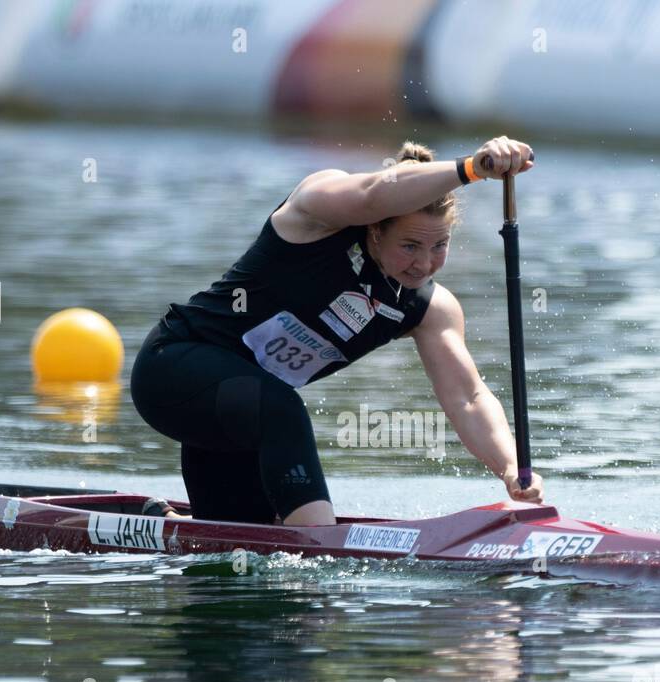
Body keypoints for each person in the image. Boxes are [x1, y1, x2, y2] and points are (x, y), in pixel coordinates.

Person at [130, 136, 542, 526]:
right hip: (171, 371)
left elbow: (468, 398)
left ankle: (168, 525)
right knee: (282, 409)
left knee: (238, 539)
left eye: (439, 246)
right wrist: (470, 168)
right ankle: (319, 553)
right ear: (375, 230)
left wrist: (511, 469)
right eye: (410, 246)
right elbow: (372, 194)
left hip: (234, 418)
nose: (424, 264)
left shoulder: (431, 310)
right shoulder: (316, 213)